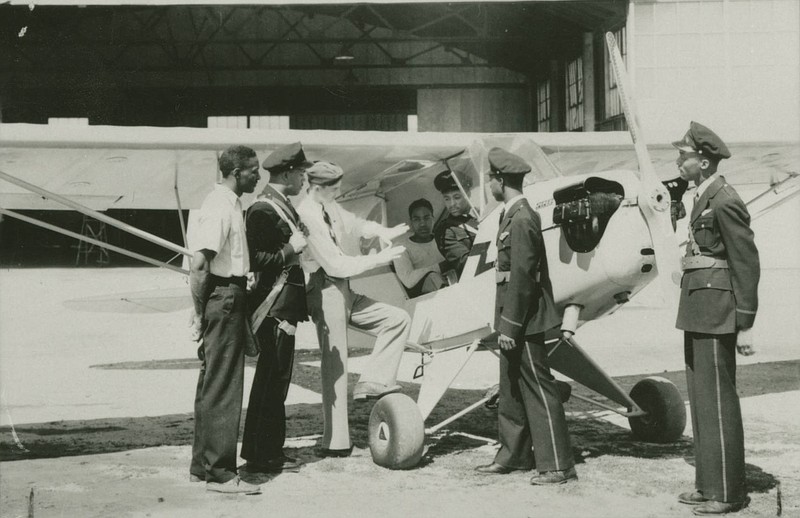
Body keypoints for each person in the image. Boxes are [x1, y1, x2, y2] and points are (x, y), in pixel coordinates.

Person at [474, 147, 574, 486]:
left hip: (525, 319)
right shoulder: (512, 214)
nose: (488, 183)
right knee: (511, 388)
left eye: (491, 178)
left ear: (501, 181)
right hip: (512, 316)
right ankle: (513, 456)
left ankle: (558, 465)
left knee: (538, 388)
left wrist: (511, 325)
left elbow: (523, 276)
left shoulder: (522, 218)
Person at [296, 161, 411, 456]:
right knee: (336, 365)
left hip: (343, 288)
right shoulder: (307, 215)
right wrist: (378, 258)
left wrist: (379, 230)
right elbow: (334, 263)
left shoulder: (326, 205)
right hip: (324, 288)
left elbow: (352, 222)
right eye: (333, 189)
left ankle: (372, 380)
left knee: (396, 319)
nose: (338, 193)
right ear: (317, 188)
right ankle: (335, 443)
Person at [673, 122, 759, 516]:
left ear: (703, 161)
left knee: (719, 402)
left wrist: (745, 321)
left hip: (718, 309)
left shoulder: (723, 199)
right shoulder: (702, 197)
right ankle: (708, 484)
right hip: (699, 307)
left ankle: (727, 491)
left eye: (684, 155)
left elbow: (745, 260)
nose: (679, 160)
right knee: (703, 401)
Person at [188, 145, 262, 494]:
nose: (258, 176)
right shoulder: (220, 207)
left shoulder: (228, 204)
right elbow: (200, 265)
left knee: (211, 383)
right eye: (253, 171)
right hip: (224, 298)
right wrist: (200, 310)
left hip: (227, 295)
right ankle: (219, 473)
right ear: (236, 173)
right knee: (225, 386)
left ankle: (202, 467)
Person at [241, 142, 311, 475]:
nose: (303, 178)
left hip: (285, 306)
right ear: (286, 172)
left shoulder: (280, 206)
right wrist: (289, 249)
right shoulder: (262, 210)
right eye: (300, 172)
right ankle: (261, 454)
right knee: (273, 381)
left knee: (275, 381)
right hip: (274, 309)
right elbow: (255, 260)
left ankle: (265, 449)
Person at [393, 198, 448, 297]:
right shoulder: (400, 248)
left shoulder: (445, 238)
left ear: (433, 219)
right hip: (426, 298)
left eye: (426, 218)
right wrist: (440, 267)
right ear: (411, 222)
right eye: (417, 219)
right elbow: (408, 280)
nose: (422, 224)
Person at [433, 169, 479, 280]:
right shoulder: (445, 230)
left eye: (457, 197)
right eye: (447, 199)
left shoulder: (481, 215)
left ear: (468, 194)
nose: (452, 204)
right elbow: (467, 264)